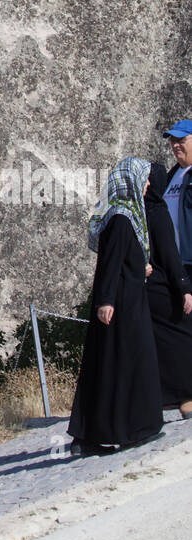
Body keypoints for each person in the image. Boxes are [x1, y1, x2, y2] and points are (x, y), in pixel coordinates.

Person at [68, 156, 163, 454]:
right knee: (130, 366)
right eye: (144, 179)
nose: (148, 184)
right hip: (123, 305)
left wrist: (140, 268)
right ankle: (133, 430)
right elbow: (109, 264)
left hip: (125, 299)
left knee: (111, 365)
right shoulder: (122, 217)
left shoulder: (123, 214)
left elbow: (124, 257)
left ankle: (95, 436)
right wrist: (106, 301)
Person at [144, 162, 192, 418]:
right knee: (182, 334)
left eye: (180, 139)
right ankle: (185, 397)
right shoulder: (157, 208)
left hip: (165, 275)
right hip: (168, 276)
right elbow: (167, 251)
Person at [161, 119, 192, 280]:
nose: (175, 145)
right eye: (173, 141)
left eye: (181, 140)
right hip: (172, 262)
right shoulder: (171, 175)